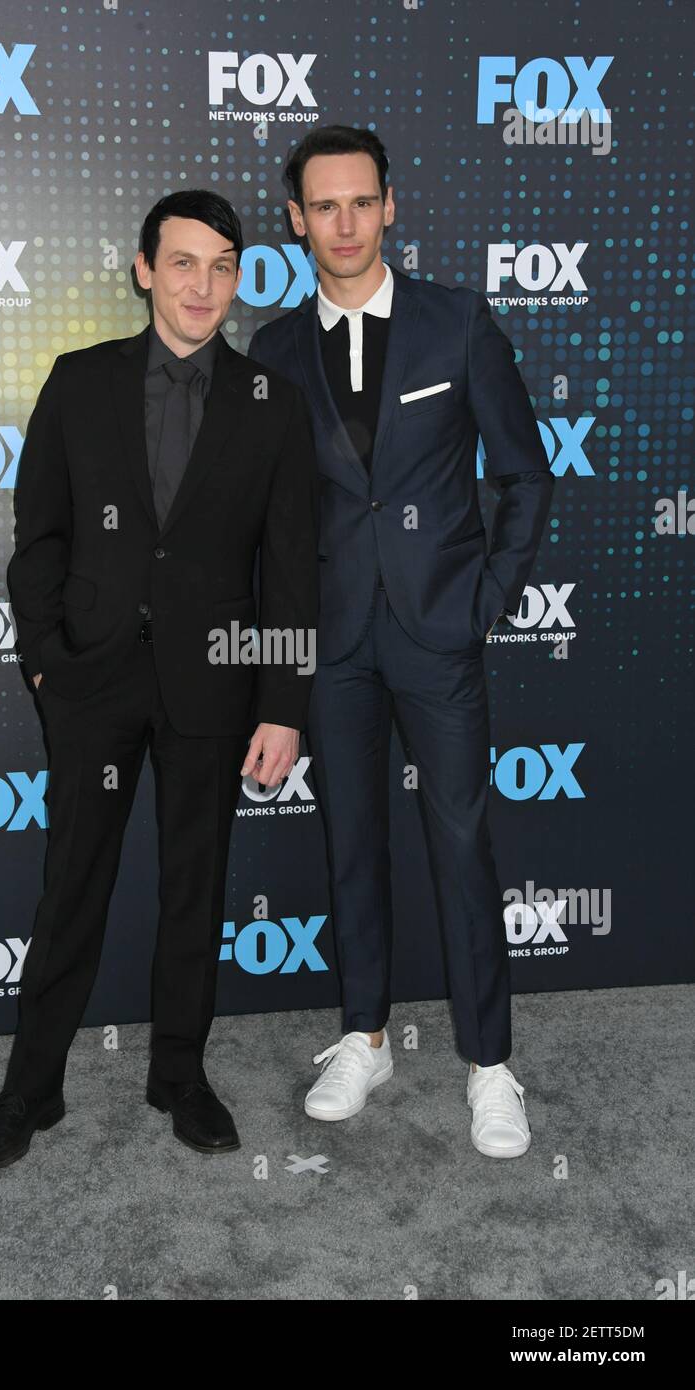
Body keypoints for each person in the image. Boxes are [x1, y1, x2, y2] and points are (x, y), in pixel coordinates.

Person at [0, 190, 319, 1169]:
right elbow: (39, 540)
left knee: (194, 889)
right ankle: (30, 1090)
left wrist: (283, 705)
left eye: (222, 265)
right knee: (70, 884)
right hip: (91, 681)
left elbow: (289, 568)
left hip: (214, 686)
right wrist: (45, 660)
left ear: (237, 278)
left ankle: (179, 1074)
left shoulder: (270, 406)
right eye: (184, 262)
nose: (204, 284)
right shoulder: (79, 383)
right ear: (143, 269)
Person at [249, 126, 554, 1158]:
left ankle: (487, 1061)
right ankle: (365, 1035)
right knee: (349, 846)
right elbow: (271, 527)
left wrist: (484, 600)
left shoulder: (456, 324)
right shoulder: (273, 350)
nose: (341, 223)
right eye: (319, 207)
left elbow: (522, 473)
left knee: (462, 842)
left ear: (388, 207)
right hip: (331, 643)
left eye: (358, 203)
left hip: (437, 631)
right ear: (295, 219)